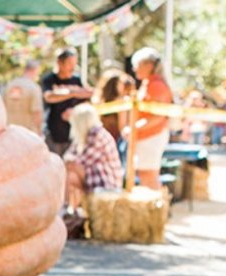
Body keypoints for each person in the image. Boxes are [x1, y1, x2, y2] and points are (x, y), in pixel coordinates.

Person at [127, 47, 173, 190]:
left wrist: (134, 128)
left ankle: (157, 208)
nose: (135, 69)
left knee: (149, 175)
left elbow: (157, 117)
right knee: (145, 175)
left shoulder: (157, 86)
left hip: (151, 137)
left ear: (149, 65)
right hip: (145, 136)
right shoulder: (149, 84)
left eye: (138, 65)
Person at [63, 103, 123, 214]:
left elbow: (79, 161)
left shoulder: (96, 134)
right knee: (71, 175)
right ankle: (72, 209)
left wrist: (66, 163)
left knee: (70, 171)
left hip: (105, 183)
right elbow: (69, 155)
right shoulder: (86, 134)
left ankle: (67, 208)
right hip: (93, 179)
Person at [41, 48, 92, 156]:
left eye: (74, 63)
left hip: (73, 132)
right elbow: (48, 96)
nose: (72, 67)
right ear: (59, 63)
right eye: (69, 63)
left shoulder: (77, 80)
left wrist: (73, 111)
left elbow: (88, 95)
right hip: (53, 132)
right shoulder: (49, 79)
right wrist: (72, 92)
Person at [93, 68, 136, 156]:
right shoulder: (121, 102)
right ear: (115, 84)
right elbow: (122, 127)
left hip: (101, 141)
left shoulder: (98, 101)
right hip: (114, 142)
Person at [3, 62, 45, 136]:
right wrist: (39, 131)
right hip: (28, 134)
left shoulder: (9, 86)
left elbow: (1, 108)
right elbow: (37, 112)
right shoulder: (34, 88)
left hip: (9, 133)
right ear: (35, 70)